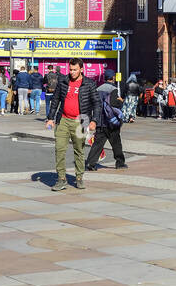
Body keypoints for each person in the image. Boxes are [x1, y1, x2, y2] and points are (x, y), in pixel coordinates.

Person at [46, 58, 98, 191]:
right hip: (63, 120)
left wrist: (94, 121)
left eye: (75, 70)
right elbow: (56, 100)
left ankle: (79, 177)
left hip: (81, 120)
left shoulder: (89, 84)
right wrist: (50, 118)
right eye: (70, 69)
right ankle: (61, 179)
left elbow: (97, 103)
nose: (72, 72)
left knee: (79, 150)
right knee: (59, 149)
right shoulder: (63, 81)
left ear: (81, 69)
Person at [85, 81, 127, 171]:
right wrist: (120, 101)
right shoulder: (113, 89)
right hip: (110, 122)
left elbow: (91, 104)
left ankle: (90, 163)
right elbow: (113, 103)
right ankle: (120, 163)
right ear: (112, 79)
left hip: (99, 121)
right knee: (116, 143)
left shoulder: (97, 89)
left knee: (97, 144)